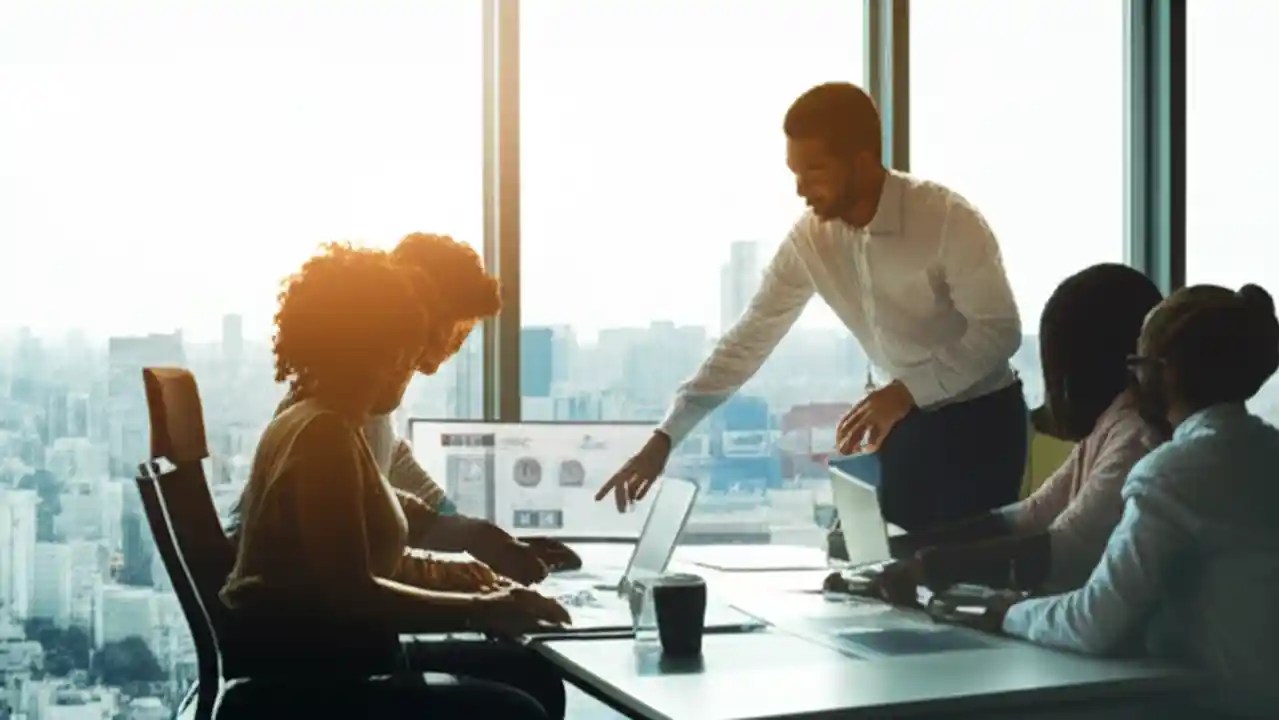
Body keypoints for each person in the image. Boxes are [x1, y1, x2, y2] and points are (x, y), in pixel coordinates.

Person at [597, 82, 1027, 531]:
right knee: (892, 574)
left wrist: (905, 391)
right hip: (899, 422)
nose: (801, 189)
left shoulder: (947, 220)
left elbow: (999, 332)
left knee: (968, 579)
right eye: (794, 172)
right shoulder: (811, 239)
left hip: (980, 422)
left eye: (814, 170)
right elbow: (748, 338)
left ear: (861, 163)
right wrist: (667, 436)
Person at [221, 243, 570, 718]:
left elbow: (382, 509)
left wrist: (472, 544)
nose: (410, 375)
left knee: (532, 674)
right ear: (378, 355)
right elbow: (352, 595)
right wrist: (479, 608)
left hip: (328, 659)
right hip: (316, 681)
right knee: (518, 709)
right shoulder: (323, 436)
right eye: (406, 360)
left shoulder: (326, 421)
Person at [957, 284, 1279, 717]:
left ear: (1167, 374)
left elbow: (1096, 621)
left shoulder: (1172, 471)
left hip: (1213, 702)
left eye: (1139, 364)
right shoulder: (1265, 449)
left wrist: (1006, 611)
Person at [227, 232, 578, 586]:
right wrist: (481, 590)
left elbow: (377, 482)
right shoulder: (328, 427)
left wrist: (468, 532)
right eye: (454, 326)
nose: (454, 342)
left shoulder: (340, 400)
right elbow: (353, 588)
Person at [868, 264, 1166, 600]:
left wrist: (929, 567)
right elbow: (1030, 516)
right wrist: (902, 548)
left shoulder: (1135, 439)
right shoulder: (1112, 426)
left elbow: (1068, 550)